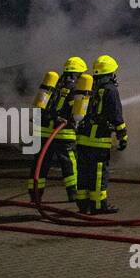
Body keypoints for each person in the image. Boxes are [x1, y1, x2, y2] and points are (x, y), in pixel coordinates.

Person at [26, 56, 85, 205]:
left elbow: (42, 106)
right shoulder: (74, 89)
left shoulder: (54, 84)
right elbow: (77, 114)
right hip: (63, 133)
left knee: (40, 164)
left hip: (43, 131)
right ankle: (73, 193)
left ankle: (35, 195)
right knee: (69, 163)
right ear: (78, 74)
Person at [75, 54, 128, 215]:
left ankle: (83, 205)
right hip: (98, 140)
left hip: (83, 139)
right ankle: (98, 206)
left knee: (83, 173)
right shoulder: (111, 90)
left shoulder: (89, 87)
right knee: (98, 174)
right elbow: (116, 116)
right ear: (111, 73)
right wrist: (122, 137)